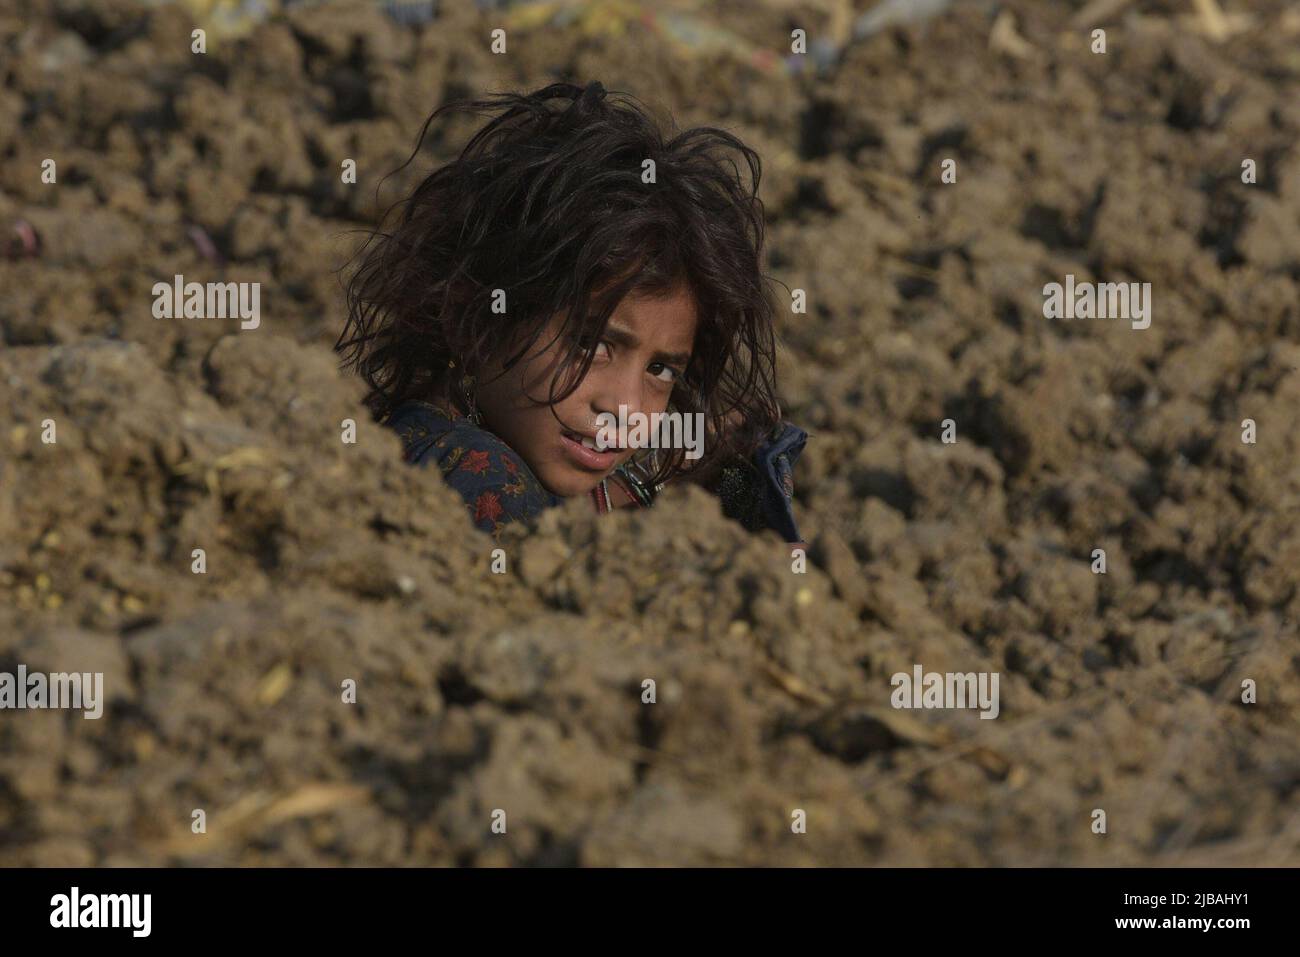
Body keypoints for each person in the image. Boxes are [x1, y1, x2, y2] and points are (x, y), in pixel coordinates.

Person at [336, 81, 806, 543]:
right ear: (478, 312)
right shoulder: (478, 472)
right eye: (593, 344)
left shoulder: (438, 438)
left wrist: (651, 485)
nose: (624, 410)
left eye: (660, 369)